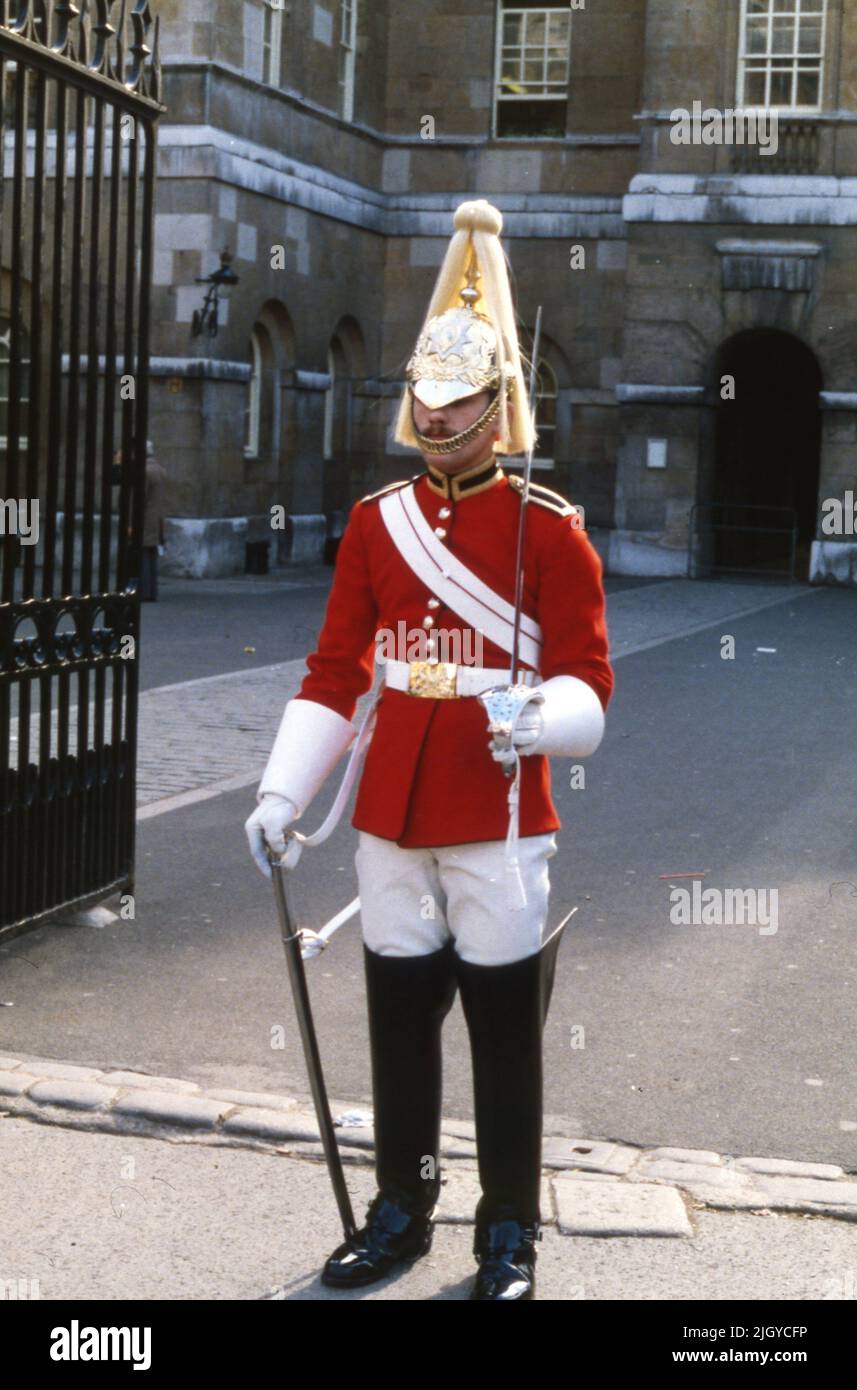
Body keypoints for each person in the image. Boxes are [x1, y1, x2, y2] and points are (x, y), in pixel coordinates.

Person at [245, 199, 614, 1300]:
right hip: (387, 815)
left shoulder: (548, 530)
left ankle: (507, 1234)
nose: (439, 423)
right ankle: (398, 1209)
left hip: (496, 813)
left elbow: (590, 686)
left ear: (499, 410)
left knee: (504, 1036)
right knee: (397, 1026)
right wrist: (280, 790)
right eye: (427, 404)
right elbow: (335, 670)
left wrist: (538, 719)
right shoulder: (374, 523)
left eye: (459, 407)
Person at [141, 439, 166, 602]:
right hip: (156, 517)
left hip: (145, 517)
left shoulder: (144, 471)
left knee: (142, 554)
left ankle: (143, 590)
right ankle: (151, 590)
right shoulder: (160, 470)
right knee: (151, 554)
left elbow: (139, 498)